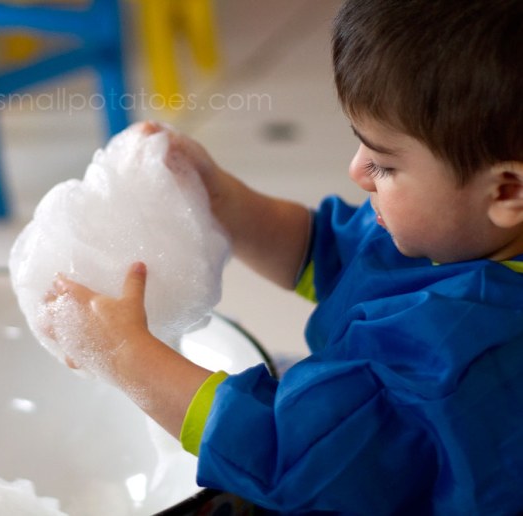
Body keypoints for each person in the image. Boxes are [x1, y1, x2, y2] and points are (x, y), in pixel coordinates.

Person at [42, 0, 523, 513]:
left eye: (384, 163)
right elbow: (330, 251)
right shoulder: (457, 236)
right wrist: (224, 199)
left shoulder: (459, 353)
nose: (357, 171)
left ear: (505, 191)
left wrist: (126, 357)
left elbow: (282, 448)